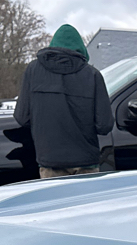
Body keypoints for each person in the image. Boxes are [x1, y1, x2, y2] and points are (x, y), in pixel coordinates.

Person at [14, 24, 112, 178]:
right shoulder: (93, 75)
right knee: (85, 202)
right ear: (81, 49)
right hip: (86, 162)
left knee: (55, 202)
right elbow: (104, 125)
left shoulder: (33, 71)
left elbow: (22, 117)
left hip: (49, 161)